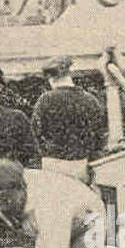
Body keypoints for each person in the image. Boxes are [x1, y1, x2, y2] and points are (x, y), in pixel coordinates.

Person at [31, 55, 106, 183]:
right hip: (82, 165)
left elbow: (35, 133)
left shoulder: (45, 100)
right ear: (69, 74)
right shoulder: (91, 100)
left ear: (50, 78)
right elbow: (100, 136)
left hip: (52, 165)